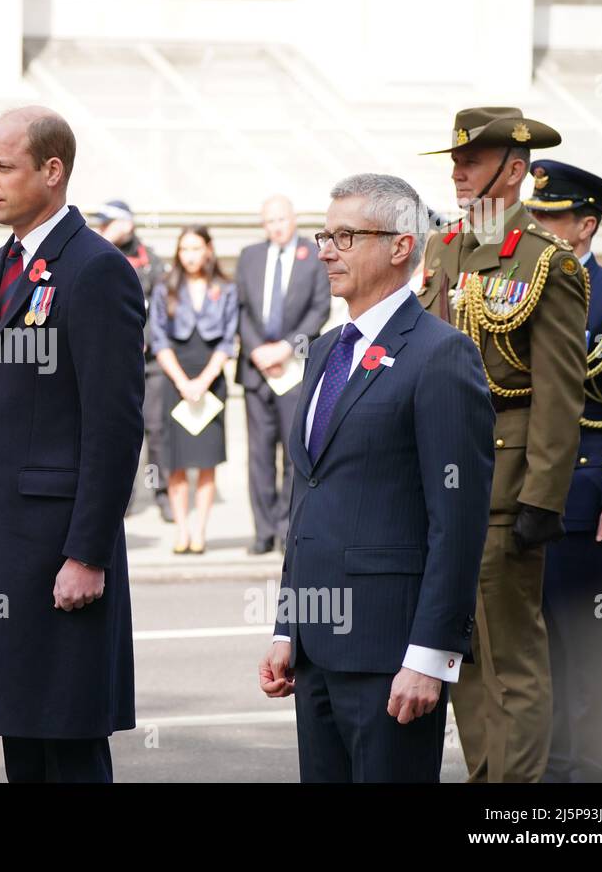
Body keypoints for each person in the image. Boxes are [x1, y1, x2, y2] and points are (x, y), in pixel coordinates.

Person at [258, 173, 494, 782]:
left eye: (345, 236)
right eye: (323, 234)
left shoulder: (440, 354)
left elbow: (458, 522)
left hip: (392, 656)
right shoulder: (327, 348)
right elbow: (307, 499)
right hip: (315, 648)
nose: (325, 250)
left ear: (400, 246)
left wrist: (432, 657)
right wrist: (288, 624)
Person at [0, 106, 145, 782]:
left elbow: (112, 425)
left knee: (69, 740)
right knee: (20, 734)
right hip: (3, 546)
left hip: (57, 547)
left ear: (52, 172)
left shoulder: (95, 269)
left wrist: (86, 551)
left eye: (4, 167)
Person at [416, 107, 588, 783]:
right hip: (442, 488)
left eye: (472, 161)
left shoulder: (547, 264)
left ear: (513, 170)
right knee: (462, 659)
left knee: (511, 659)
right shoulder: (442, 250)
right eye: (455, 160)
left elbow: (559, 391)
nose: (458, 172)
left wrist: (543, 497)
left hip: (501, 489)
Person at [523, 160, 602, 782]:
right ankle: (554, 770)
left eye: (553, 216)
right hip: (524, 490)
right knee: (537, 649)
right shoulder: (522, 291)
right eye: (536, 214)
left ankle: (596, 775)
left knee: (586, 646)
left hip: (583, 494)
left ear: (586, 226)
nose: (541, 224)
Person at [235, 195, 330, 555]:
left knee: (293, 455)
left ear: (293, 219)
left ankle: (287, 529)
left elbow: (319, 308)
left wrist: (287, 348)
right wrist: (259, 349)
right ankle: (262, 531)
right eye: (268, 221)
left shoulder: (314, 257)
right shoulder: (249, 256)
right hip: (256, 370)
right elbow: (240, 307)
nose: (275, 226)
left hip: (294, 369)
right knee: (258, 455)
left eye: (280, 219)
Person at [149, 225, 237, 553]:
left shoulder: (226, 288)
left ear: (208, 250)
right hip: (177, 379)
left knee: (206, 461)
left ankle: (200, 529)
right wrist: (183, 381)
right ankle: (181, 529)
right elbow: (158, 338)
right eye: (184, 249)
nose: (190, 256)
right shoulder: (165, 288)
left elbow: (229, 339)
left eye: (196, 248)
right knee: (176, 462)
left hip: (211, 379)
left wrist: (204, 380)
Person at [91, 199, 171, 523]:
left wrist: (143, 340)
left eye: (110, 223)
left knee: (155, 429)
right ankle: (121, 498)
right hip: (110, 362)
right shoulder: (95, 256)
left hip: (148, 361)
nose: (104, 229)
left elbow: (162, 307)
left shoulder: (150, 259)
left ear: (128, 224)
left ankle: (162, 493)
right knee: (115, 432)